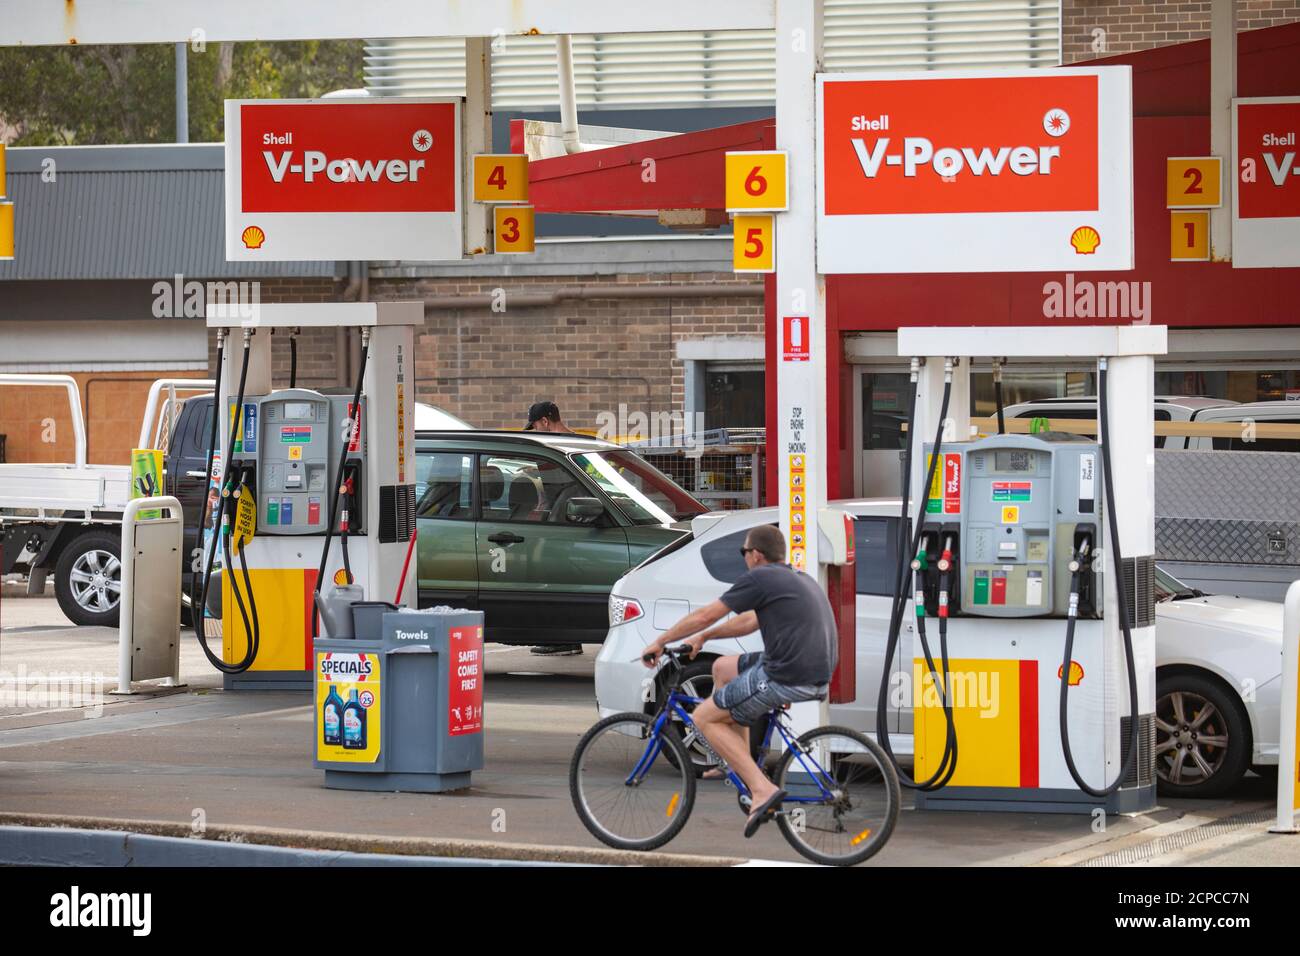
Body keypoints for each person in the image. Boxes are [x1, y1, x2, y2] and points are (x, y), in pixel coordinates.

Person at [642, 524, 837, 838]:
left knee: (703, 717)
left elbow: (708, 613)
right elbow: (748, 621)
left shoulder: (761, 577)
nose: (744, 558)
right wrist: (704, 637)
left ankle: (761, 789)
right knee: (723, 668)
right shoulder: (793, 577)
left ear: (756, 555)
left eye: (744, 552)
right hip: (808, 668)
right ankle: (735, 762)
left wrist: (661, 641)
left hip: (787, 673)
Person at [524, 400, 583, 656]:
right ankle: (568, 638)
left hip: (564, 526)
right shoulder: (582, 443)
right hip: (577, 523)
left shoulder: (553, 449)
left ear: (545, 421)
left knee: (555, 581)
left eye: (536, 425)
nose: (536, 430)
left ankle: (564, 639)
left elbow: (558, 492)